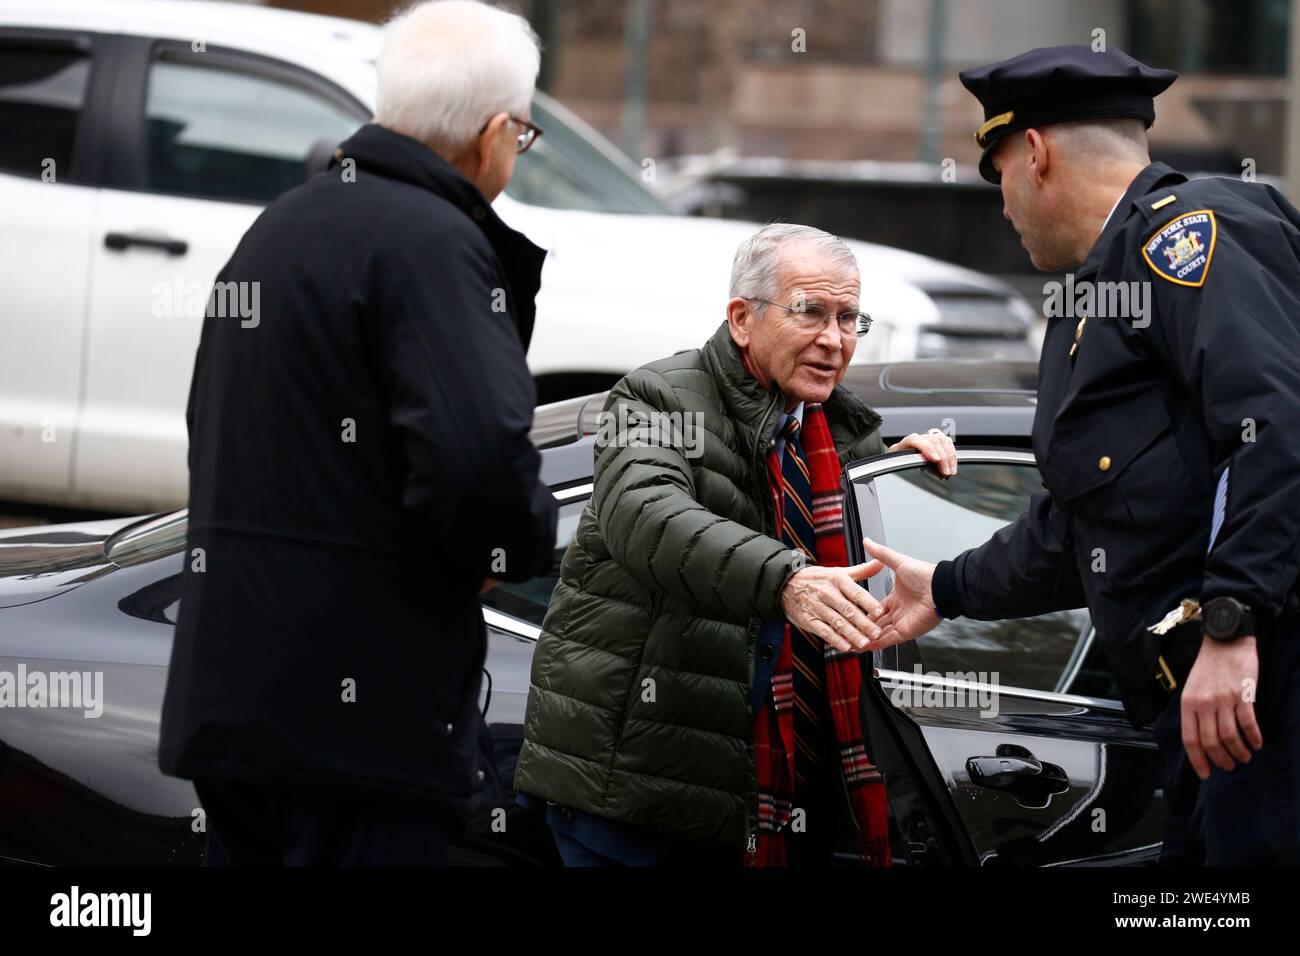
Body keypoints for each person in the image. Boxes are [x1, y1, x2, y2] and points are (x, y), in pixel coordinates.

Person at [864, 45, 1300, 865]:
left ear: (1034, 154)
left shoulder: (1191, 238)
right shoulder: (1096, 297)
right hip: (1198, 716)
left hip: (1260, 696)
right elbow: (1082, 526)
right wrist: (949, 586)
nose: (1001, 208)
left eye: (995, 177)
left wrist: (1233, 624)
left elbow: (1277, 425)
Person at [158, 0, 557, 866]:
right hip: (361, 725)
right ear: (494, 134)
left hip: (237, 700)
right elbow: (479, 464)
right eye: (522, 139)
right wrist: (508, 551)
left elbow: (213, 429)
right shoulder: (434, 243)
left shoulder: (283, 225)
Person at [515, 223, 958, 866]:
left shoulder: (833, 429)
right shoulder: (660, 397)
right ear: (742, 319)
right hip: (641, 787)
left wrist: (889, 466)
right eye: (811, 313)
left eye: (849, 319)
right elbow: (647, 517)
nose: (834, 341)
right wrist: (785, 580)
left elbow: (815, 511)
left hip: (769, 786)